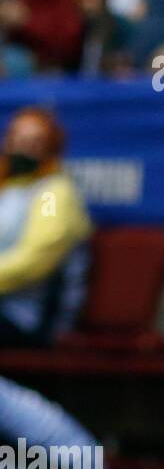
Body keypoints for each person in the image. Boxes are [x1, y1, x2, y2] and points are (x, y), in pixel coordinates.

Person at [0, 108, 92, 347]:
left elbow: (37, 259)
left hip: (27, 318)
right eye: (16, 139)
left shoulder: (53, 194)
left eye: (34, 143)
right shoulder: (8, 187)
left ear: (51, 149)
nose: (21, 149)